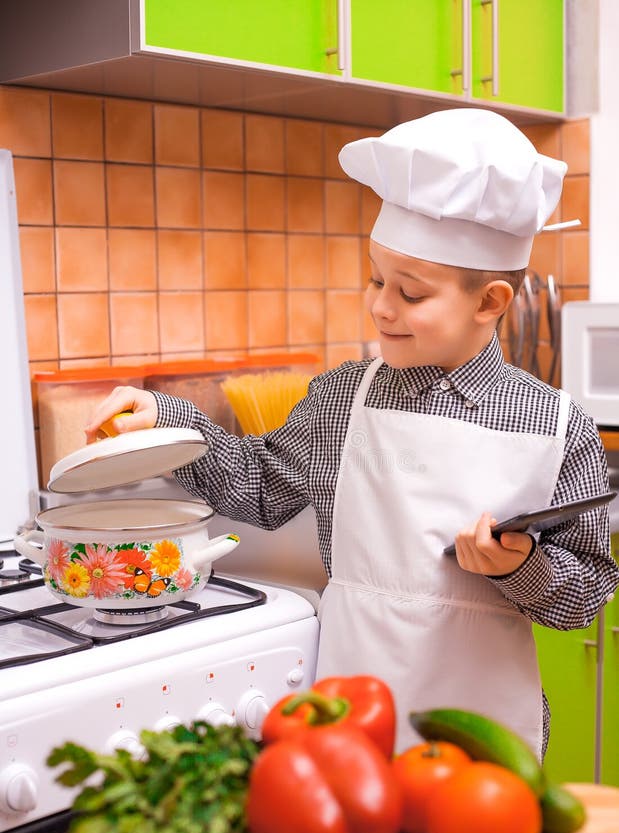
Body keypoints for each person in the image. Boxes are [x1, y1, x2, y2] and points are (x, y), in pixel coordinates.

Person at [85, 108, 619, 758]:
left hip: (483, 740)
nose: (380, 305)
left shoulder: (558, 425)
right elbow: (257, 486)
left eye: (411, 294)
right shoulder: (344, 396)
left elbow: (585, 596)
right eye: (375, 278)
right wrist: (166, 421)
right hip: (349, 712)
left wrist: (521, 567)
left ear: (489, 303)